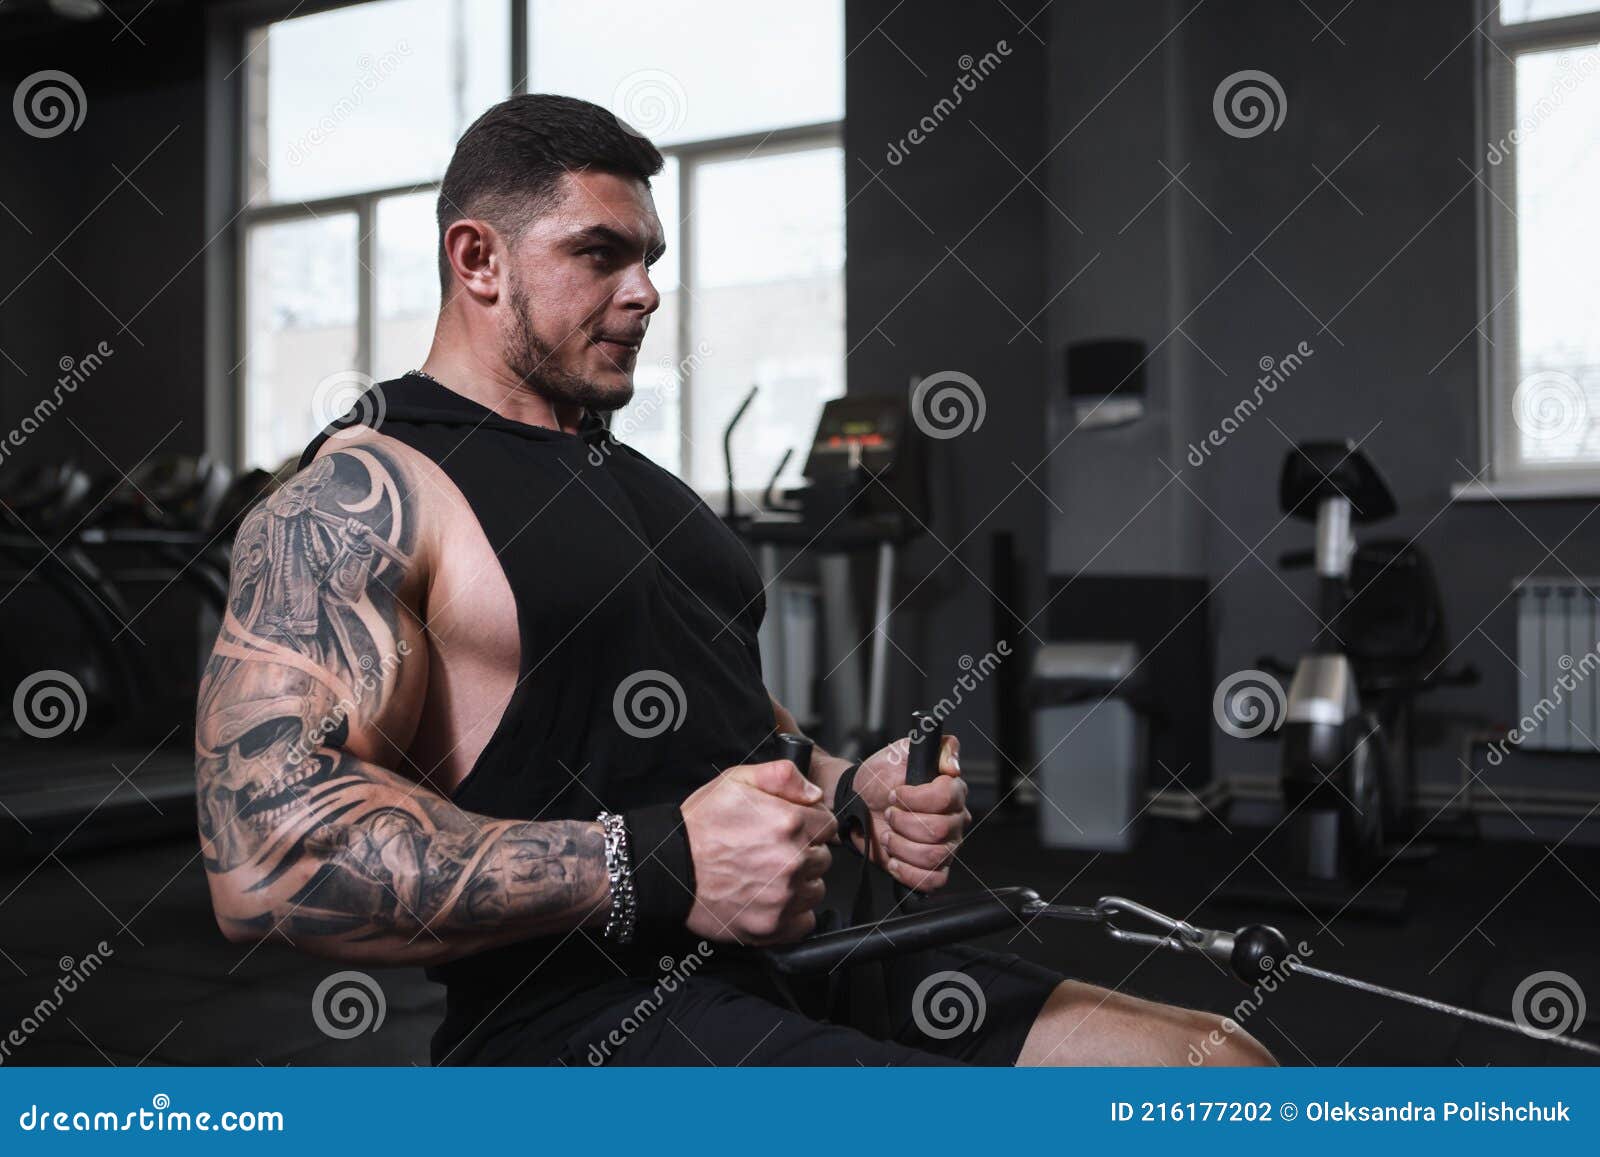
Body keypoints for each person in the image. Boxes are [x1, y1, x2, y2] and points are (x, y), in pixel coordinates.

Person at [196, 93, 1273, 1067]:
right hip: (582, 1021)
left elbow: (728, 729)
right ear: (478, 259)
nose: (646, 292)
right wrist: (658, 862)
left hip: (804, 955)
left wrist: (852, 787)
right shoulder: (360, 492)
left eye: (652, 256)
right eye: (600, 254)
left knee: (1214, 1066)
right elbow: (263, 853)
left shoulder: (643, 485)